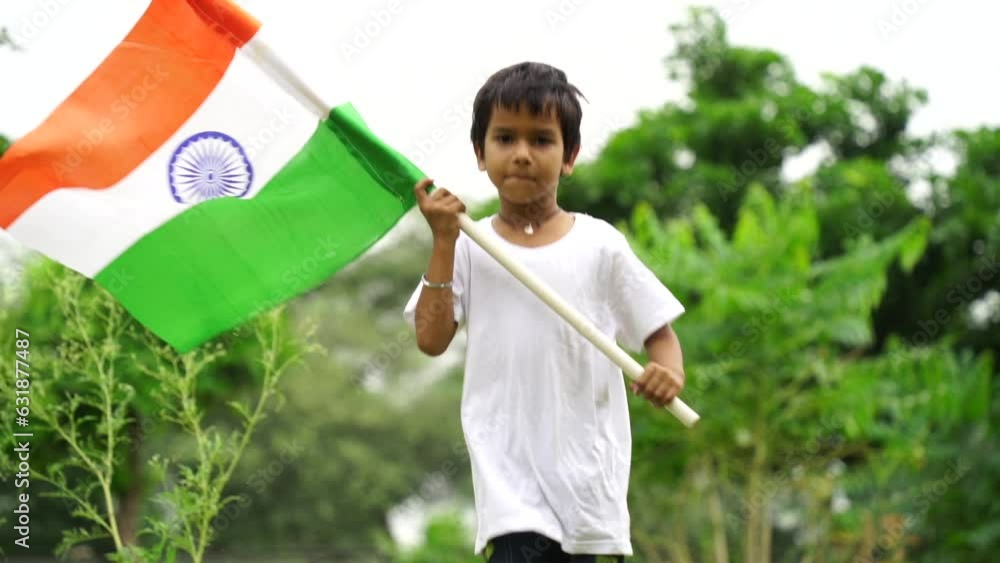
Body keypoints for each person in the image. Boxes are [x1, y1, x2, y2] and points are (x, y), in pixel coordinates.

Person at [403, 61, 686, 563]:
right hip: (509, 489)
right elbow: (430, 338)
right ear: (480, 152)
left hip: (587, 487)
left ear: (569, 155)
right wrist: (443, 242)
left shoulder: (599, 245)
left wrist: (669, 374)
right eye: (505, 138)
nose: (522, 154)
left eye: (541, 140)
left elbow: (658, 334)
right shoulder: (468, 245)